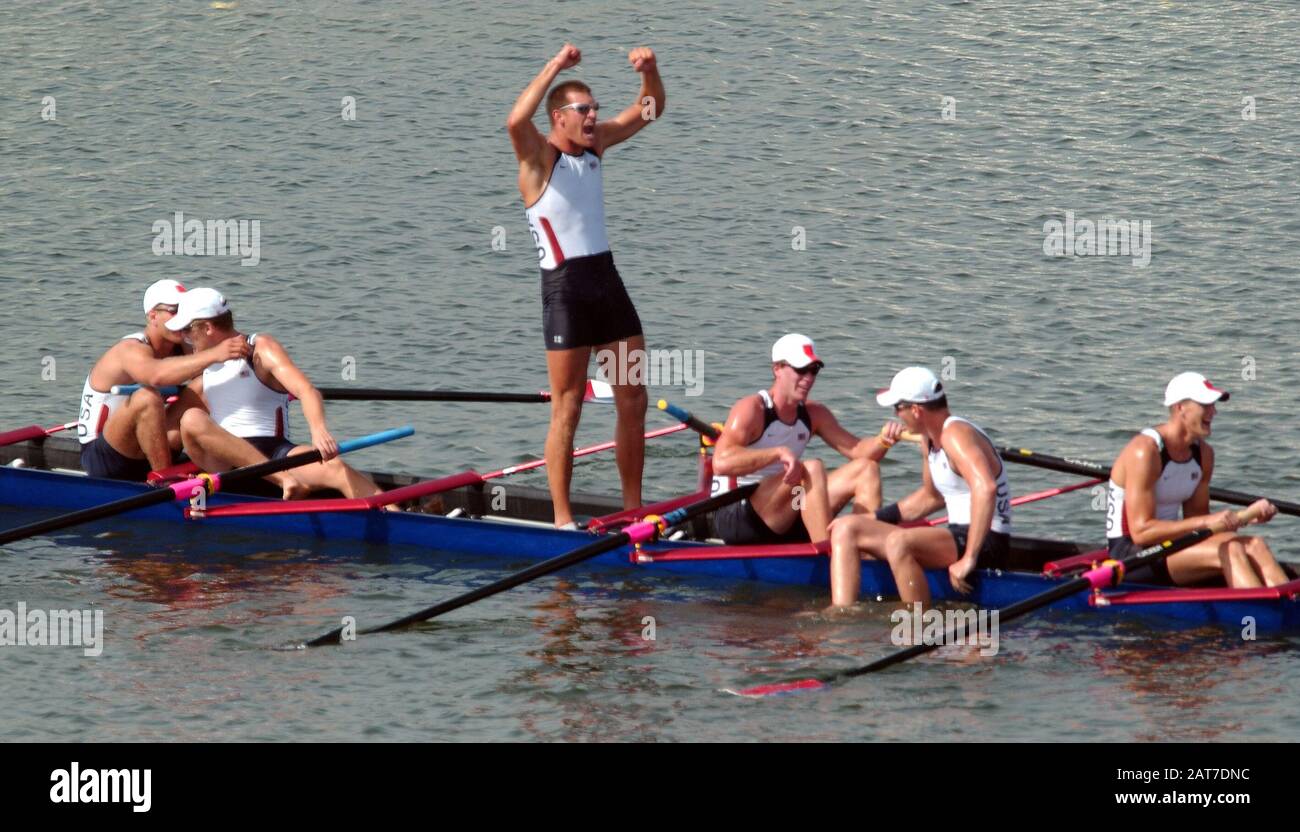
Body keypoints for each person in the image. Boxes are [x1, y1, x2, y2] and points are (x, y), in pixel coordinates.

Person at [507, 42, 665, 527]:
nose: (594, 115)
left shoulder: (596, 146)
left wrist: (651, 71)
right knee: (568, 407)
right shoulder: (537, 157)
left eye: (595, 108)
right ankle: (561, 519)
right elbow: (515, 121)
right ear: (558, 117)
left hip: (607, 284)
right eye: (584, 109)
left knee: (633, 397)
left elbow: (650, 109)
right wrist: (554, 65)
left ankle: (633, 510)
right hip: (566, 292)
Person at [165, 287, 385, 501]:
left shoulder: (260, 349)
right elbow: (158, 376)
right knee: (191, 419)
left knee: (336, 468)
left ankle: (395, 515)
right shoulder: (203, 360)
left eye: (186, 331)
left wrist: (318, 430)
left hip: (273, 454)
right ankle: (285, 481)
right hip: (223, 462)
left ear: (207, 328)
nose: (185, 338)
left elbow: (306, 390)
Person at [827, 367, 1013, 607]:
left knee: (898, 542)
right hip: (955, 536)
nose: (896, 415)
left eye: (898, 408)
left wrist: (968, 559)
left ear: (915, 410)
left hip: (986, 541)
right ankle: (841, 614)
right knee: (847, 528)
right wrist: (874, 518)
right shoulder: (929, 439)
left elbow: (986, 487)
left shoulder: (955, 434)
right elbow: (930, 497)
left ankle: (918, 624)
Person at [1105, 372, 1286, 587]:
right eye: (1206, 405)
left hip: (1171, 545)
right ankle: (1258, 617)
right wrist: (1208, 521)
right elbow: (1141, 533)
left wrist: (1243, 519)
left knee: (1257, 545)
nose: (1214, 412)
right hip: (1131, 555)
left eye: (1214, 405)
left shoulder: (1204, 455)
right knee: (1231, 550)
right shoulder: (1145, 452)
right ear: (1180, 407)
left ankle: (1290, 610)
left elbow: (1200, 525)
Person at [710, 334, 893, 546]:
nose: (809, 378)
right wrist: (778, 453)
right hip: (742, 520)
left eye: (813, 370)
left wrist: (884, 439)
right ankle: (830, 557)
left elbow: (860, 451)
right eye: (800, 370)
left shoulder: (814, 414)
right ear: (777, 369)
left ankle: (867, 551)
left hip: (790, 508)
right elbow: (721, 463)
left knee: (866, 469)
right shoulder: (752, 410)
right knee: (812, 468)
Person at [78, 279, 250, 480]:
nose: (183, 316)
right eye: (174, 310)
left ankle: (241, 461)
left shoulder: (183, 345)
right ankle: (166, 481)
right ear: (153, 316)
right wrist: (215, 354)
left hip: (151, 445)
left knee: (205, 385)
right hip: (104, 458)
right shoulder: (130, 349)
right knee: (146, 397)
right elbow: (156, 376)